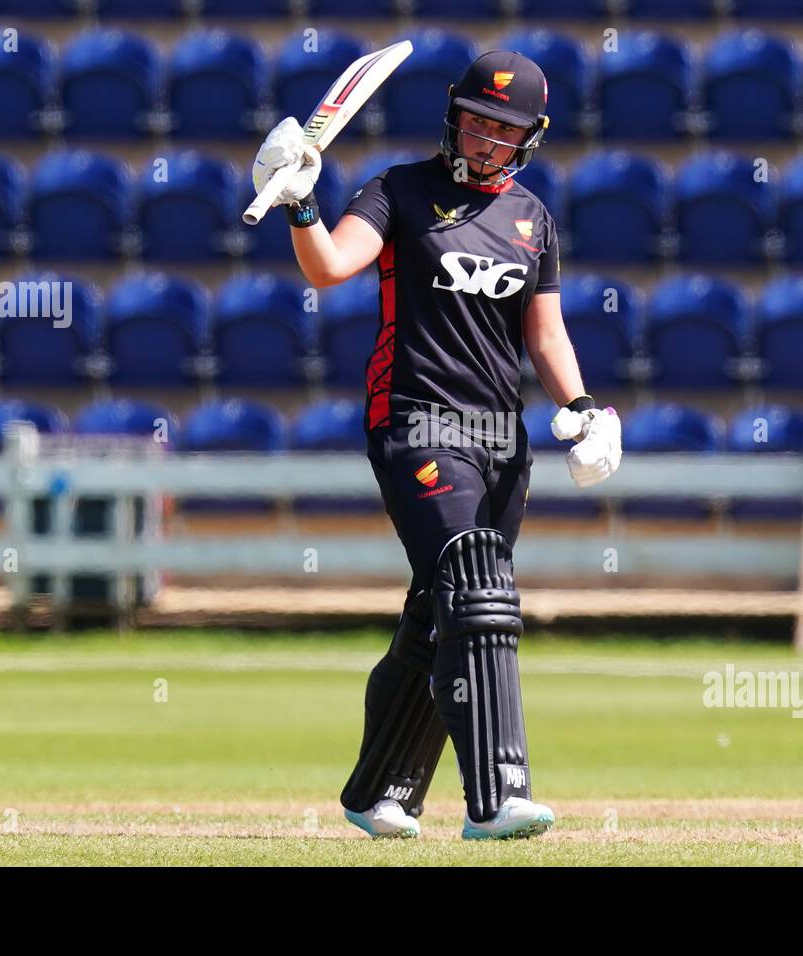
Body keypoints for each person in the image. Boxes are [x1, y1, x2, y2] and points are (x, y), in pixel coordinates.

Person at [251, 50, 622, 839]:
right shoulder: (400, 190)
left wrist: (586, 406)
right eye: (479, 122)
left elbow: (544, 331)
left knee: (439, 609)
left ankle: (379, 790)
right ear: (455, 116)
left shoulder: (532, 218)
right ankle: (497, 795)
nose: (488, 140)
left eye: (506, 130)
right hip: (415, 418)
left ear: (530, 138)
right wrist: (299, 203)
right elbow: (330, 267)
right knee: (477, 583)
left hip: (500, 439)